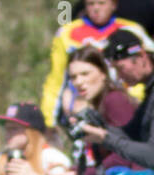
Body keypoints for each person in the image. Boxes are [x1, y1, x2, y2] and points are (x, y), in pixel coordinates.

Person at [55, 27, 154, 175]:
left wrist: (105, 138)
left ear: (141, 56)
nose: (119, 77)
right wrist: (94, 128)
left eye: (120, 68)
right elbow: (131, 133)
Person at [48, 45, 138, 175]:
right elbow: (106, 159)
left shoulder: (114, 100)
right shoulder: (99, 105)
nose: (78, 82)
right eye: (73, 77)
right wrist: (71, 171)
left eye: (85, 73)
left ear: (103, 73)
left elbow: (127, 154)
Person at [40, 0, 141, 129]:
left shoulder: (132, 30)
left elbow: (140, 73)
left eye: (101, 3)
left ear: (114, 4)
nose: (96, 8)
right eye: (91, 4)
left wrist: (137, 102)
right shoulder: (67, 32)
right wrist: (49, 121)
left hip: (124, 104)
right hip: (83, 107)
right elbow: (56, 80)